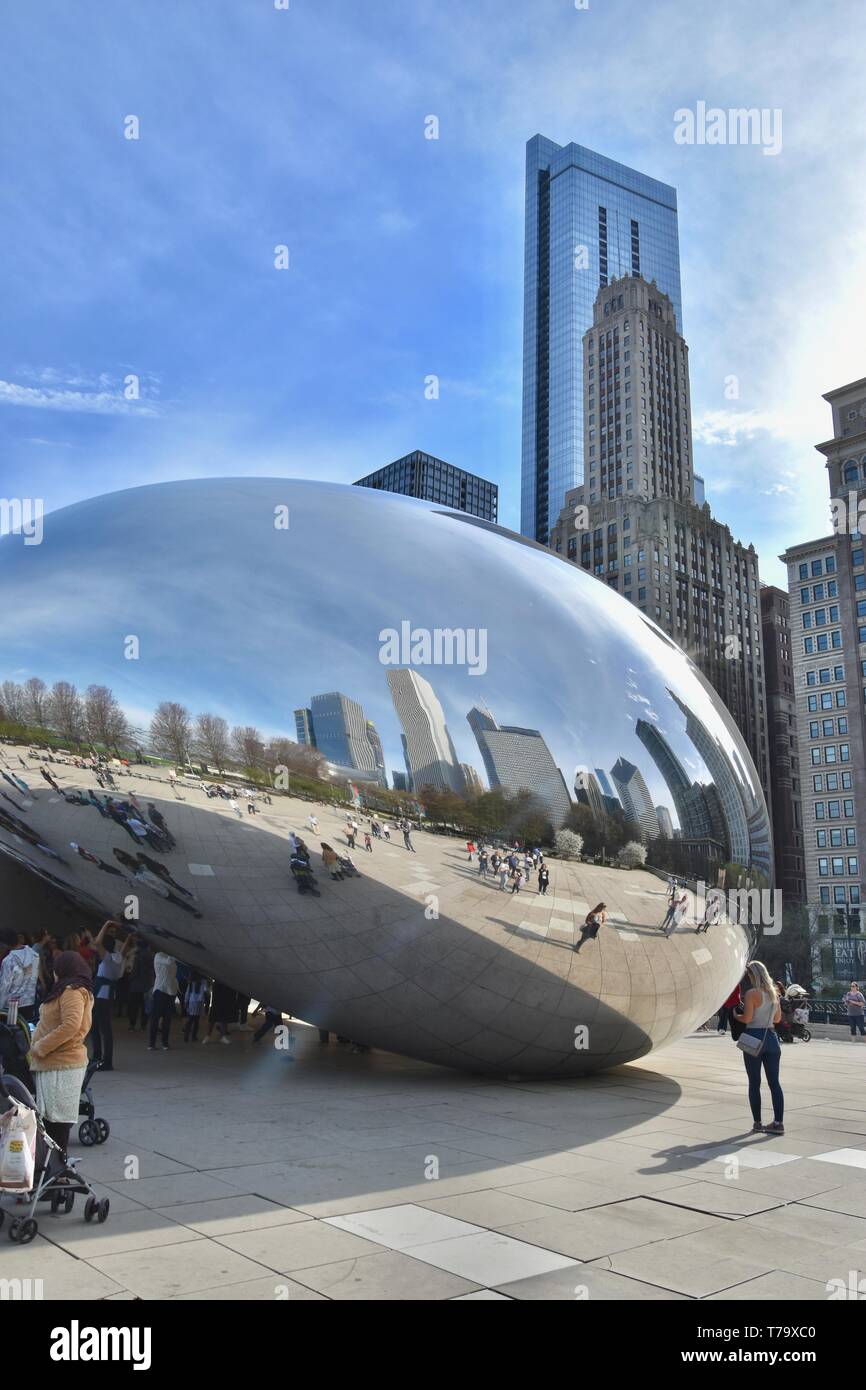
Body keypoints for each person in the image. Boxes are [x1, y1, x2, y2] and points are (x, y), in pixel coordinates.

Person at [28, 950, 94, 1161]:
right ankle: (53, 1168)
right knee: (51, 1120)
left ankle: (57, 1170)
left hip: (61, 1063)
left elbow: (71, 1025)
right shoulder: (68, 989)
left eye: (56, 969)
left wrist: (40, 1047)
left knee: (56, 1121)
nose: (54, 973)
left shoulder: (72, 991)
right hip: (54, 1063)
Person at [733, 961, 784, 1134]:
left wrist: (736, 1015)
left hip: (754, 1037)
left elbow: (747, 1019)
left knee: (754, 1082)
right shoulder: (774, 993)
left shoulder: (751, 993)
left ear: (752, 975)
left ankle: (757, 1122)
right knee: (774, 1083)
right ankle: (778, 1123)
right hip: (771, 1038)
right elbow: (777, 1020)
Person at [90, 919, 124, 1070]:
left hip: (100, 994)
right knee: (105, 1028)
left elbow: (97, 942)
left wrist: (106, 923)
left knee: (98, 1027)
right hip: (109, 994)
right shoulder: (118, 957)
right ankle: (104, 1059)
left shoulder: (107, 957)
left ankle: (101, 1058)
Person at [0, 930, 41, 1022]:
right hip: (29, 1001)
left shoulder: (8, 960)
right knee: (24, 1031)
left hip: (10, 1005)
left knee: (10, 1033)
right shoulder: (34, 955)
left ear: (4, 944)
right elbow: (34, 978)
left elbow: (4, 986)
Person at [147, 951, 178, 1051]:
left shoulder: (172, 958)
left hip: (171, 992)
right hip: (160, 990)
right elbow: (168, 962)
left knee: (167, 1020)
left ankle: (165, 1042)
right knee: (155, 1019)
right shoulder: (159, 956)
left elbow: (173, 975)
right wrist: (173, 956)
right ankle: (151, 1043)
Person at [126, 936, 153, 1031]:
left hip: (136, 986)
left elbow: (135, 971)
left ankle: (132, 1025)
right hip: (147, 985)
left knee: (134, 1007)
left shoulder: (138, 957)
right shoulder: (151, 956)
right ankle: (143, 1025)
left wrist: (130, 978)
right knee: (144, 1007)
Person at [202, 979, 234, 1044]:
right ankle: (218, 1036)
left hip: (216, 1004)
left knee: (214, 1020)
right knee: (219, 1019)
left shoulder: (217, 984)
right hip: (218, 1004)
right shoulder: (220, 984)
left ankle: (208, 1036)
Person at [183, 973, 208, 1041]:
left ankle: (186, 1035)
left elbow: (187, 993)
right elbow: (205, 991)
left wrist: (186, 1002)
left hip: (192, 1002)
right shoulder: (203, 982)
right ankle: (193, 1036)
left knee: (190, 1020)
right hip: (199, 1003)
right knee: (196, 1021)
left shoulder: (191, 983)